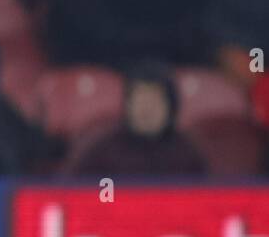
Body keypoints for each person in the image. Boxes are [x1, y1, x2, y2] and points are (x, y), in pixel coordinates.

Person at [63, 64, 207, 177]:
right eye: (140, 100)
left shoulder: (187, 153)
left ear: (170, 106)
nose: (146, 108)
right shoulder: (101, 150)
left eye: (154, 100)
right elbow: (74, 195)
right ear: (127, 104)